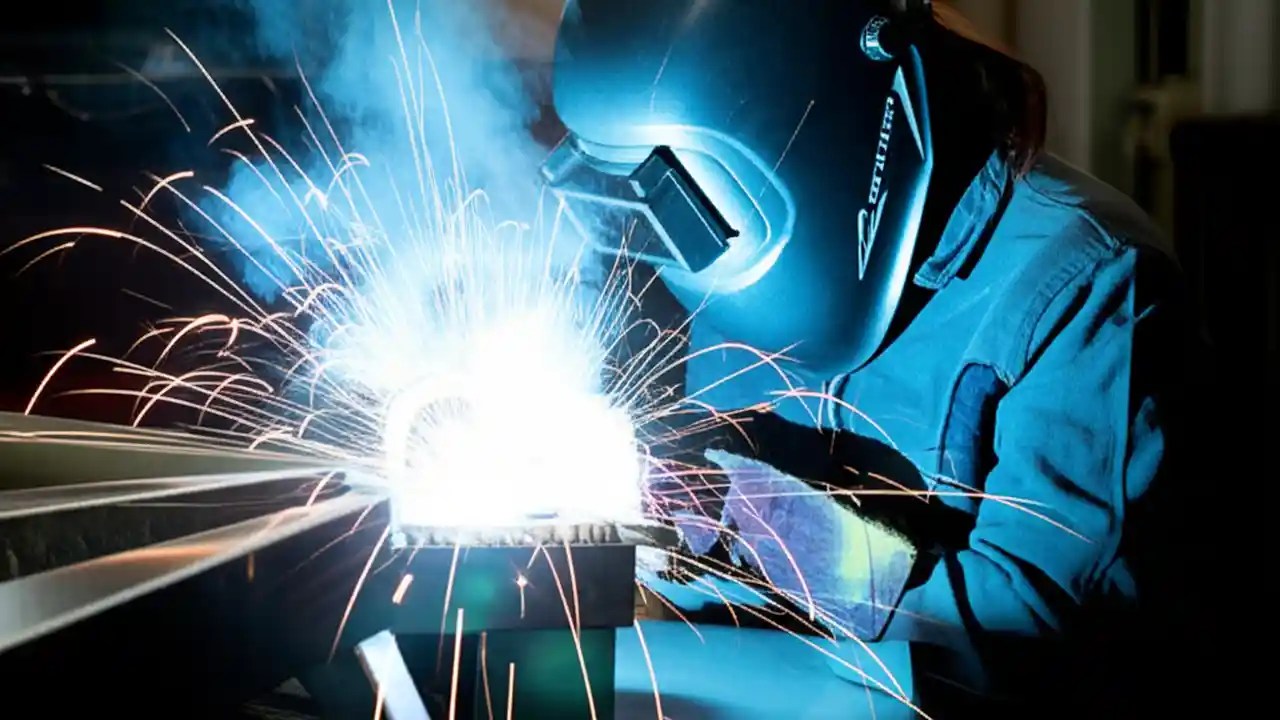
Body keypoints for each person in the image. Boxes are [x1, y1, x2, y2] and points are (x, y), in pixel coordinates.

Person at [542, 1, 1207, 717]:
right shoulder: (658, 235)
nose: (663, 240)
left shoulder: (1082, 285)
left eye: (682, 195)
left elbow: (1028, 642)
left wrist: (747, 515)